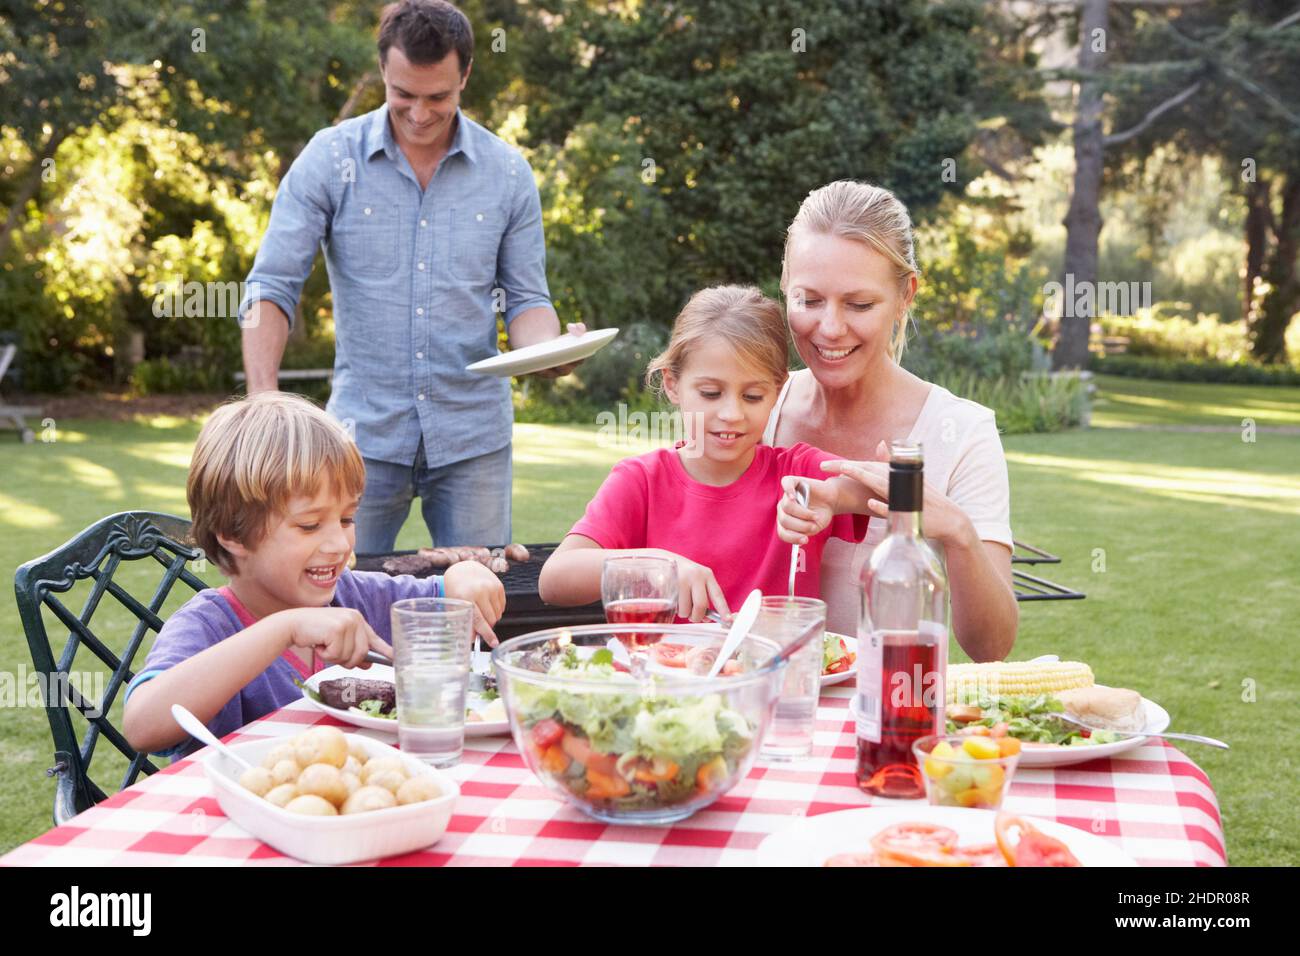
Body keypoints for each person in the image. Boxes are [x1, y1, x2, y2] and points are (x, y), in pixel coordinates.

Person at [237, 0, 582, 554]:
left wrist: (551, 351)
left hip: (473, 439)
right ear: (382, 73)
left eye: (438, 97)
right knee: (336, 608)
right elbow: (271, 287)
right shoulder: (330, 158)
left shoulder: (508, 173)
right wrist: (263, 403)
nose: (420, 113)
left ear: (465, 74)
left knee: (483, 603)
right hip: (359, 440)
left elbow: (525, 301)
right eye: (404, 96)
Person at [122, 391, 505, 760]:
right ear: (233, 534)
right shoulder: (208, 626)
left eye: (347, 519)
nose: (339, 544)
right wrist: (284, 629)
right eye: (309, 525)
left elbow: (442, 600)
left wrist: (465, 575)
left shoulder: (355, 595)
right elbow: (142, 726)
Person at [766, 180, 1018, 661]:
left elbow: (992, 646)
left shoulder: (962, 433)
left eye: (859, 304)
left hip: (887, 718)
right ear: (785, 287)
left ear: (906, 296)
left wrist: (957, 533)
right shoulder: (757, 409)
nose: (831, 328)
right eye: (808, 300)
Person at [538, 286, 868, 621]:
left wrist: (836, 496)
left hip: (775, 671)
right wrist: (656, 566)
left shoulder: (797, 474)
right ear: (672, 384)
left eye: (753, 396)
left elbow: (877, 491)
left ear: (777, 391)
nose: (731, 414)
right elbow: (554, 579)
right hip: (665, 672)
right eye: (711, 393)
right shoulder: (642, 481)